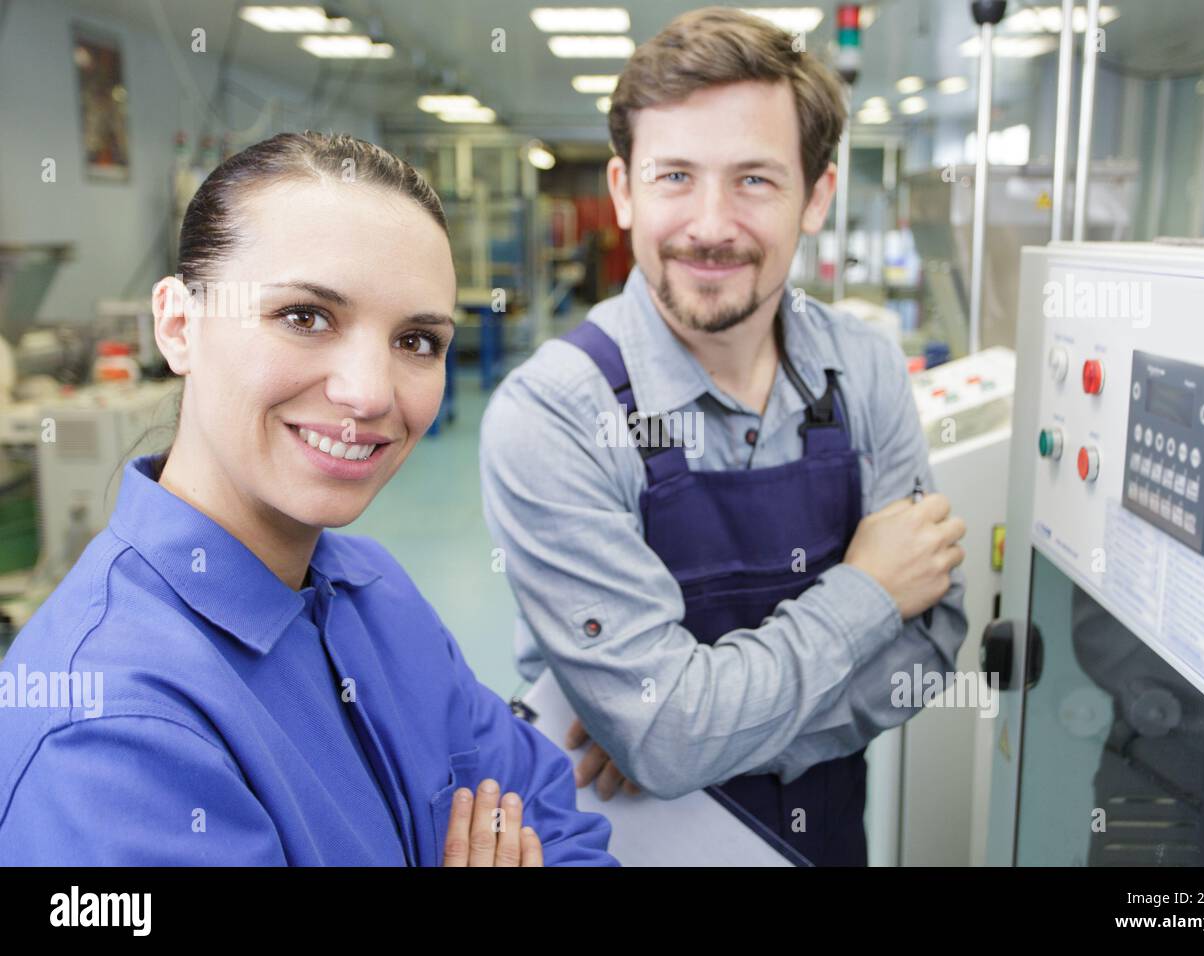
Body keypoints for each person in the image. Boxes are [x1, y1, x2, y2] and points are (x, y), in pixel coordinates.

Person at [0, 131, 614, 867]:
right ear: (177, 324)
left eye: (417, 340)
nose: (369, 392)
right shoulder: (108, 732)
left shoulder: (374, 593)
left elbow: (559, 820)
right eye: (305, 317)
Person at [480, 7, 968, 866]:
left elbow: (931, 645)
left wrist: (694, 740)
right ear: (626, 190)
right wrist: (867, 589)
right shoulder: (553, 411)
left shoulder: (865, 369)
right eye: (675, 177)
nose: (711, 225)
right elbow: (666, 736)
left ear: (815, 197)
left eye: (754, 179)